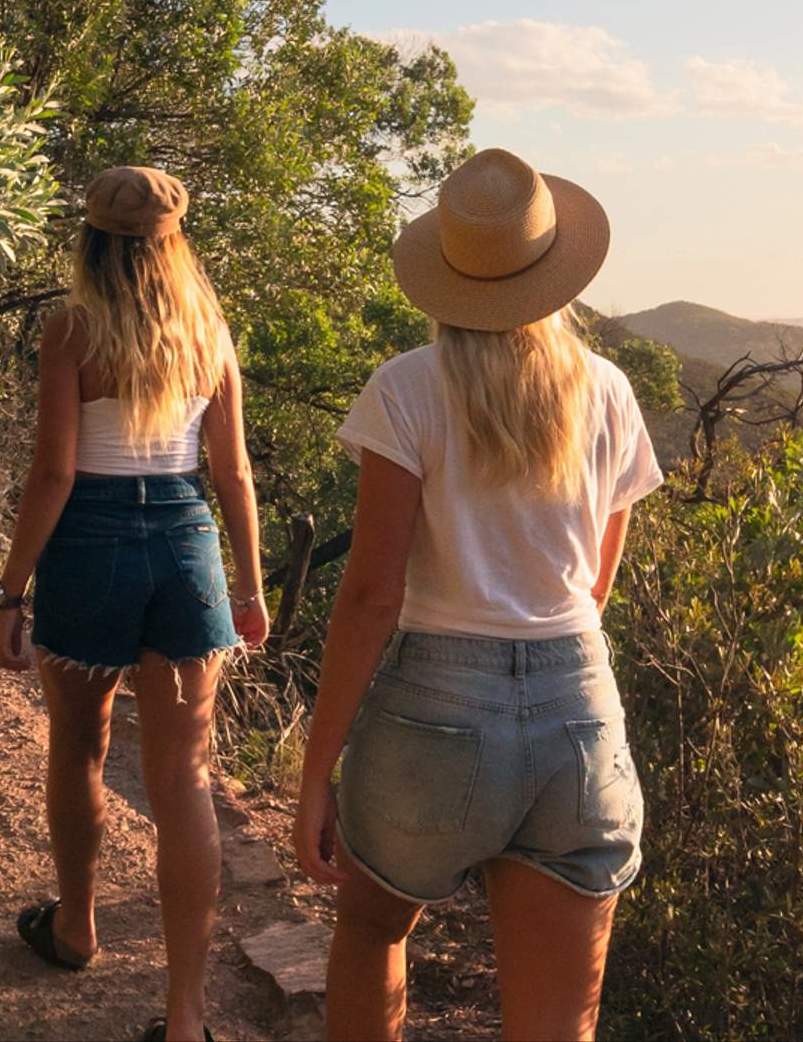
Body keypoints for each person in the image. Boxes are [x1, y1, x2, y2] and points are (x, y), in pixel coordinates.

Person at [292, 149, 663, 1042]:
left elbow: (373, 595)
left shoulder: (407, 388)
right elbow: (596, 581)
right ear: (557, 269)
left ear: (447, 276)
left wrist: (316, 772)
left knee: (375, 932)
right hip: (578, 711)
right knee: (553, 1024)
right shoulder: (608, 393)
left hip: (434, 711)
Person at [0, 166, 266, 1042]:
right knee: (183, 777)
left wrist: (9, 590)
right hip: (188, 545)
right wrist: (251, 589)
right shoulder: (207, 330)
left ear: (92, 240)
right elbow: (232, 473)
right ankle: (186, 1015)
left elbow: (55, 472)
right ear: (174, 241)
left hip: (90, 543)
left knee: (80, 745)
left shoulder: (71, 328)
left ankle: (76, 926)